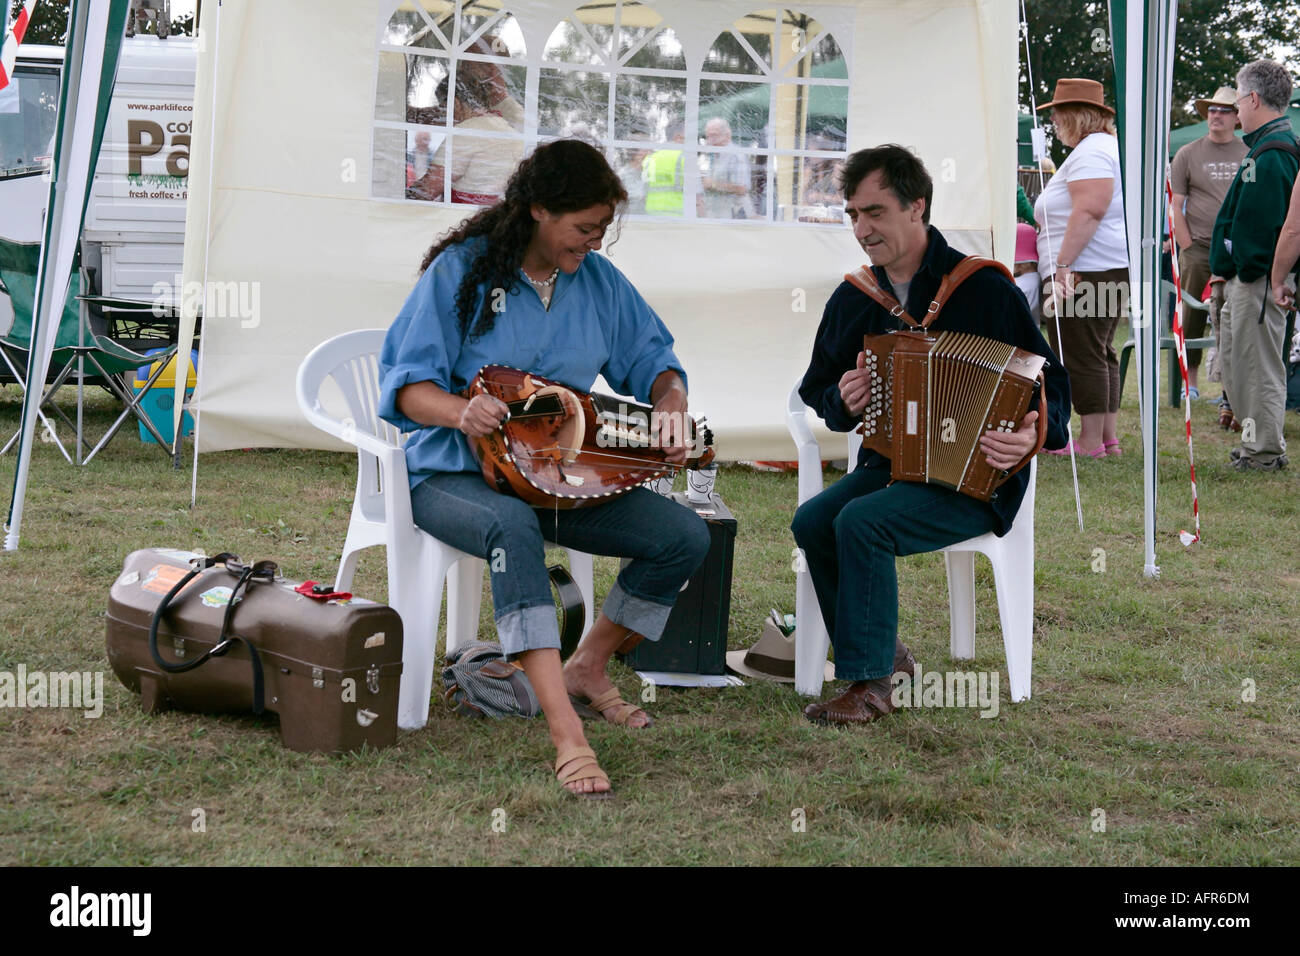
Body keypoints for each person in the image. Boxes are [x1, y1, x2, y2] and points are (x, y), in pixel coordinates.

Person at [380, 140, 710, 796]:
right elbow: (405, 386)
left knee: (683, 537)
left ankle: (588, 665)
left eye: (602, 231)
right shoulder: (461, 271)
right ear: (537, 209)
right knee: (512, 527)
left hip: (557, 478)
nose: (593, 243)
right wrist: (459, 412)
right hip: (452, 476)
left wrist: (671, 403)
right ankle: (567, 733)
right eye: (583, 228)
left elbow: (654, 359)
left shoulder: (597, 283)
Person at [791, 145, 1070, 726]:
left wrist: (1032, 433)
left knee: (860, 522)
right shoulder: (856, 298)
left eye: (875, 212)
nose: (862, 229)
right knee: (813, 520)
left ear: (917, 206)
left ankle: (869, 686)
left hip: (976, 480)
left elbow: (1051, 382)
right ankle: (886, 658)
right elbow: (817, 389)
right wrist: (842, 401)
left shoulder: (983, 289)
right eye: (852, 215)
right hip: (887, 468)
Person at [1034, 78, 1129, 458]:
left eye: (1057, 113)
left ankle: (1089, 443)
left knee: (1080, 353)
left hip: (1085, 268)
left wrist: (1062, 265)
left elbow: (1090, 209)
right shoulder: (1106, 148)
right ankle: (1107, 438)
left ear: (1075, 115)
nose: (1054, 121)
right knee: (1100, 351)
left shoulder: (1091, 154)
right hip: (1105, 265)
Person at [1212, 59, 1298, 472]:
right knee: (1241, 367)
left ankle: (1264, 452)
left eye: (1238, 98)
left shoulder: (1275, 152)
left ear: (1253, 98)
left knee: (1258, 367)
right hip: (1250, 277)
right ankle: (1252, 446)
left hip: (1260, 279)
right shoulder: (1263, 148)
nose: (1235, 110)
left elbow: (1270, 225)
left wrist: (1250, 270)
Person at [1171, 87, 1249, 400]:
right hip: (1199, 248)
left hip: (1238, 249)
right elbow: (1176, 204)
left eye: (1224, 110)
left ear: (1237, 118)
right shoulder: (1188, 153)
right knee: (1191, 316)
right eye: (1212, 109)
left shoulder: (1249, 152)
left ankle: (1231, 389)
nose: (1216, 115)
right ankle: (1188, 383)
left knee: (1237, 316)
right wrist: (1187, 245)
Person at [407, 71, 523, 205]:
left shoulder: (466, 132)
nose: (443, 116)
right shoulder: (506, 128)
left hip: (465, 218)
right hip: (498, 218)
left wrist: (397, 197)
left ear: (455, 104)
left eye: (443, 108)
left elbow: (427, 189)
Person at [700, 118, 751, 219]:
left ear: (727, 135)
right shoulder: (714, 155)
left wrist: (713, 184)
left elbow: (742, 188)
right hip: (714, 215)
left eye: (714, 135)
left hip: (731, 217)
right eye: (707, 136)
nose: (709, 140)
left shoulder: (736, 155)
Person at [643, 123, 687, 216]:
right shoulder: (685, 158)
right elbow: (697, 199)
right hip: (678, 218)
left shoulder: (650, 159)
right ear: (678, 137)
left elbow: (644, 192)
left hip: (651, 216)